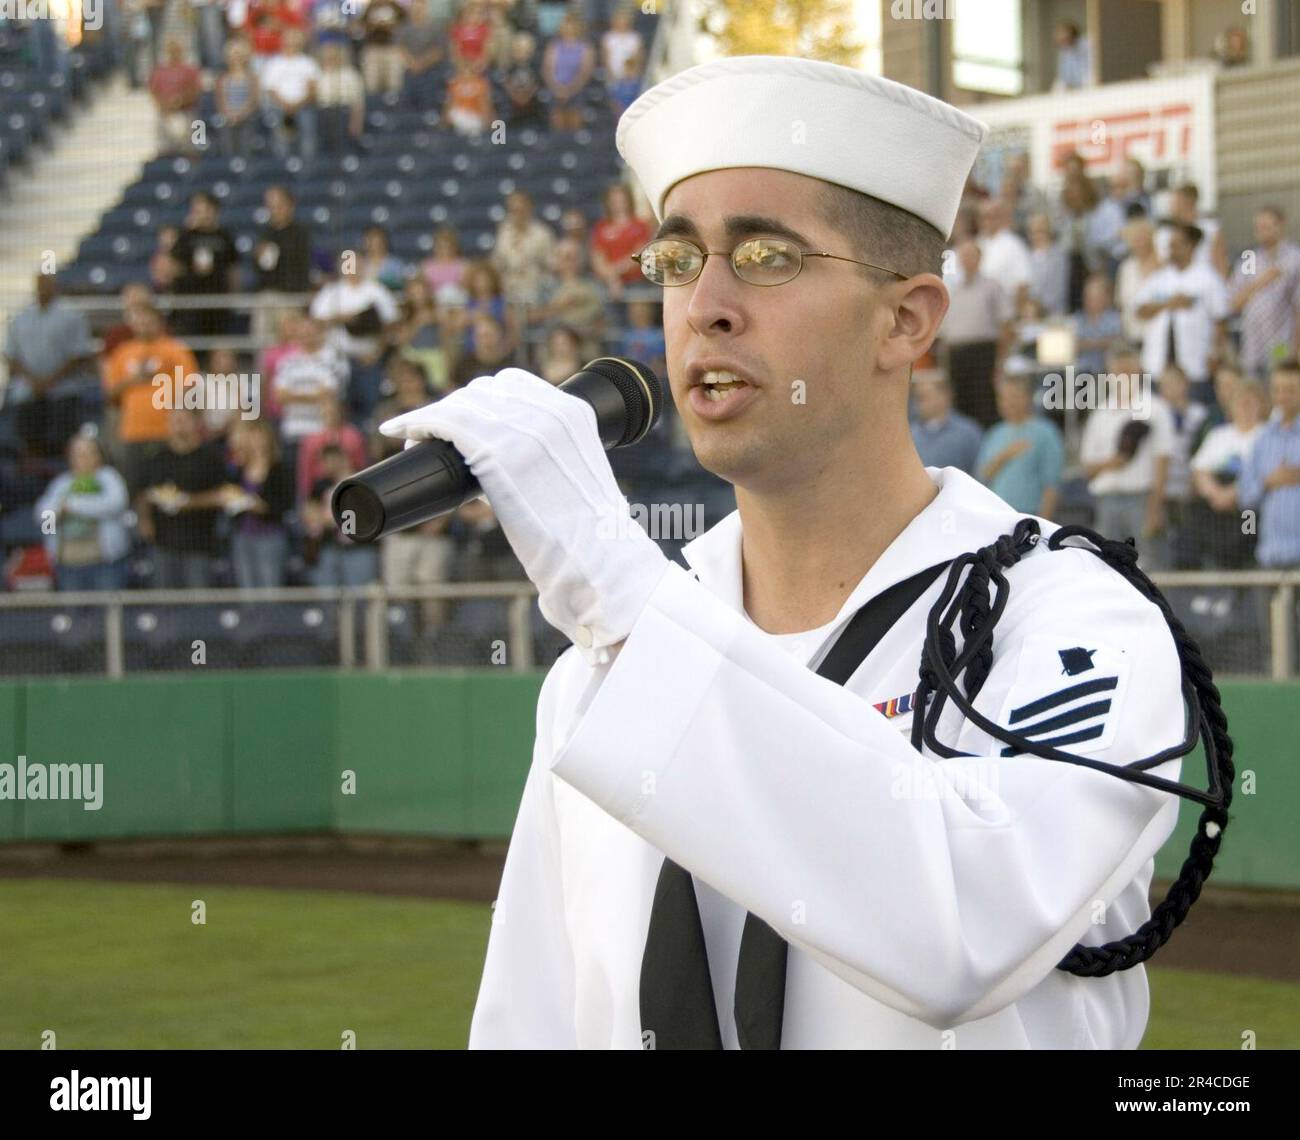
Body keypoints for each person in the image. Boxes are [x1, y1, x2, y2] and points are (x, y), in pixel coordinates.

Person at [380, 56, 1192, 1051]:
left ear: (905, 320)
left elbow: (964, 927)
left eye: (766, 258)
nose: (704, 304)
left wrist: (614, 583)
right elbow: (533, 1022)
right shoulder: (599, 670)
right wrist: (621, 610)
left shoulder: (1075, 617)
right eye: (676, 261)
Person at [1079, 348, 1175, 570]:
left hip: (1141, 499)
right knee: (1107, 568)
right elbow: (1087, 467)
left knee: (1150, 567)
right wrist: (1115, 462)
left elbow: (1163, 460)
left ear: (1139, 371)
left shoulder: (1155, 407)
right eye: (1118, 370)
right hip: (1106, 501)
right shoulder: (1100, 413)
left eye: (1128, 370)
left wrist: (1155, 506)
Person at [101, 304, 200, 491]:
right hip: (132, 431)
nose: (145, 325)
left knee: (167, 484)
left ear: (159, 323)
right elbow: (110, 393)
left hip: (167, 430)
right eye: (141, 320)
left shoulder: (175, 349)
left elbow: (190, 385)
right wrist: (133, 380)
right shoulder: (123, 352)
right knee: (133, 485)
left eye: (149, 320)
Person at [1135, 223, 1229, 409]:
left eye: (1176, 245)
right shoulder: (1158, 278)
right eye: (1170, 245)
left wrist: (1215, 353)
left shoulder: (1208, 278)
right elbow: (1140, 310)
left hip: (1194, 365)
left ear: (1191, 246)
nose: (1171, 250)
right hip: (1157, 366)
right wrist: (1169, 303)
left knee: (1195, 414)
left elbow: (1220, 319)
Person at [4, 273, 97, 459]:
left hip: (63, 391)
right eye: (39, 285)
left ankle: (64, 473)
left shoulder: (72, 315)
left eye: (47, 284)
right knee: (27, 440)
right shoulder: (21, 317)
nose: (42, 289)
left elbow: (80, 354)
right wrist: (34, 381)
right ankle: (31, 476)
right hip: (28, 391)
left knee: (63, 440)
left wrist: (50, 380)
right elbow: (10, 355)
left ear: (55, 286)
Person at [136, 408, 228, 588]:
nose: (179, 427)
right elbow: (143, 492)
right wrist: (144, 520)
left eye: (184, 421)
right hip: (163, 543)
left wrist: (190, 502)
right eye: (175, 421)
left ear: (195, 424)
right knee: (165, 605)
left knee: (198, 607)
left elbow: (223, 494)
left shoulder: (210, 458)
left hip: (198, 544)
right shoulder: (157, 458)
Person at [35, 434, 132, 592]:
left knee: (109, 613)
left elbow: (116, 504)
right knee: (74, 614)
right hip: (68, 563)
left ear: (98, 456)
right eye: (78, 454)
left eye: (89, 452)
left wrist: (71, 505)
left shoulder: (109, 477)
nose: (83, 458)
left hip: (105, 562)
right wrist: (56, 514)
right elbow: (44, 520)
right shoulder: (61, 483)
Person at [1190, 378, 1266, 569]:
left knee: (1248, 547)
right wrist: (1215, 494)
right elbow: (1200, 470)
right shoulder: (1218, 435)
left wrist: (1234, 493)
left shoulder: (1266, 434)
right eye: (1240, 402)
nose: (1245, 407)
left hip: (1250, 510)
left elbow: (1264, 473)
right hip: (1218, 510)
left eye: (1250, 402)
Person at [1237, 359, 1300, 569]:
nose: (1283, 396)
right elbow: (1245, 498)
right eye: (1278, 389)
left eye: (1290, 389)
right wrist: (1268, 481)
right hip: (1269, 555)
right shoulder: (1262, 440)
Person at [976, 372, 1065, 517]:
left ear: (1028, 398)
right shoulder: (995, 433)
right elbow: (983, 476)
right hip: (998, 513)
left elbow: (1052, 484)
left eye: (1014, 396)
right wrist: (1005, 455)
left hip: (1029, 514)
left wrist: (1042, 524)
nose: (1009, 403)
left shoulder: (1045, 433)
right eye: (1003, 398)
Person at [1227, 206, 1300, 381]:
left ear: (1280, 225)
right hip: (1252, 345)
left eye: (1267, 226)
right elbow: (1233, 302)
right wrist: (1261, 282)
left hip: (1281, 343)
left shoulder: (1293, 257)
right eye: (1259, 227)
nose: (1262, 232)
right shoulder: (1249, 258)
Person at [223, 418, 296, 588]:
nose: (256, 442)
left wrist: (262, 507)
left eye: (259, 436)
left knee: (270, 590)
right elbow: (230, 494)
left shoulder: (279, 469)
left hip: (270, 537)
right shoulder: (239, 469)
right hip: (243, 537)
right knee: (247, 591)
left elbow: (285, 504)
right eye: (252, 437)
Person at [168, 190, 241, 339]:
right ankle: (179, 365)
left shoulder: (224, 236)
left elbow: (233, 269)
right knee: (186, 349)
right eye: (197, 210)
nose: (202, 214)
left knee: (215, 347)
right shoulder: (186, 236)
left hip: (217, 304)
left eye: (205, 209)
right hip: (190, 304)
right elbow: (171, 266)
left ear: (215, 211)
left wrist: (234, 296)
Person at [253, 184, 314, 346]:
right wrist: (258, 255)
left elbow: (302, 266)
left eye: (279, 205)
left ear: (290, 206)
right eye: (271, 206)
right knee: (263, 345)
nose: (275, 210)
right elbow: (261, 266)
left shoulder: (300, 233)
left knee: (290, 344)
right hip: (267, 295)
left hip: (290, 296)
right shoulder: (265, 233)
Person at [260, 26, 320, 162]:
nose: (292, 42)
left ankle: (308, 166)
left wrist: (296, 105)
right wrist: (285, 105)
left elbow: (312, 88)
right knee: (280, 140)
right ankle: (282, 167)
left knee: (308, 139)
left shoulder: (308, 63)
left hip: (303, 107)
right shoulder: (274, 63)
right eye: (289, 39)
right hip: (280, 107)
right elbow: (270, 89)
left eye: (295, 39)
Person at [908, 370, 983, 474]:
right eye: (917, 398)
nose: (917, 404)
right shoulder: (910, 434)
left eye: (923, 398)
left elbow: (980, 474)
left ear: (944, 397)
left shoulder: (967, 433)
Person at [589, 181, 652, 302]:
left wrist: (614, 274)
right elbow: (598, 258)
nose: (618, 204)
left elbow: (639, 254)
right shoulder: (601, 227)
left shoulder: (640, 225)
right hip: (607, 283)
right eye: (614, 200)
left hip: (636, 281)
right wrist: (611, 278)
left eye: (622, 200)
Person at [543, 13, 595, 132]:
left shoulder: (585, 47)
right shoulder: (554, 46)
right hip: (556, 89)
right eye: (566, 25)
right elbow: (547, 70)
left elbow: (585, 72)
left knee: (574, 127)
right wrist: (557, 88)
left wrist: (570, 89)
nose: (568, 29)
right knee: (557, 126)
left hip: (577, 89)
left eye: (571, 26)